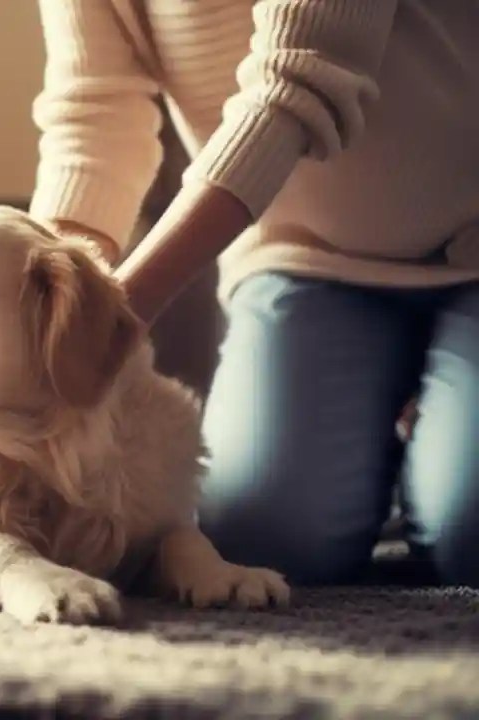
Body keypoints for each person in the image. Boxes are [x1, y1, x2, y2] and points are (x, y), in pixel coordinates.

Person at [28, 0, 479, 586]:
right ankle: (400, 431)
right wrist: (41, 312)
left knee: (468, 537)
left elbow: (295, 84)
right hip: (305, 257)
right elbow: (94, 117)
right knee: (262, 538)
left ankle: (433, 437)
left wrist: (107, 322)